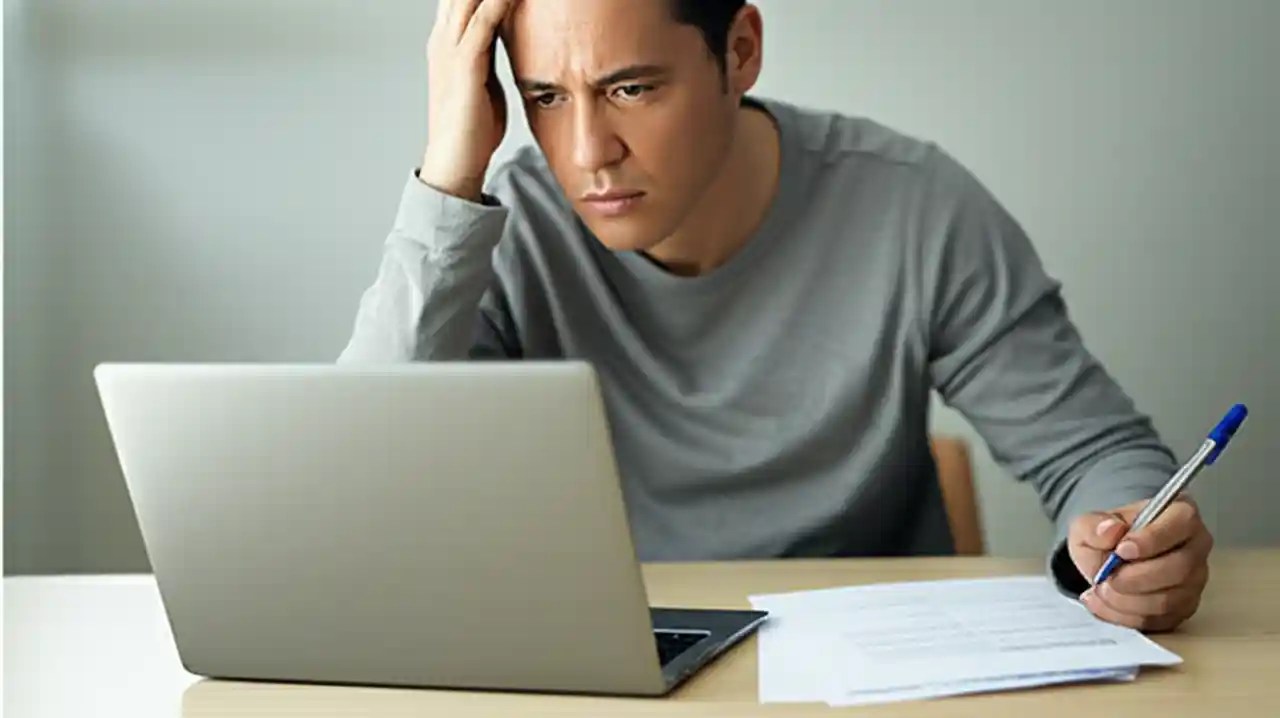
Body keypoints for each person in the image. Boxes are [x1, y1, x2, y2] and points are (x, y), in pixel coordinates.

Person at [339, 0, 1213, 632]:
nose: (586, 154)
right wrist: (450, 177)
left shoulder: (911, 207)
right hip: (616, 677)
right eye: (547, 99)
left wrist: (1125, 542)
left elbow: (1097, 452)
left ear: (741, 50)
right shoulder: (501, 233)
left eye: (633, 89)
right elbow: (359, 487)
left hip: (879, 668)